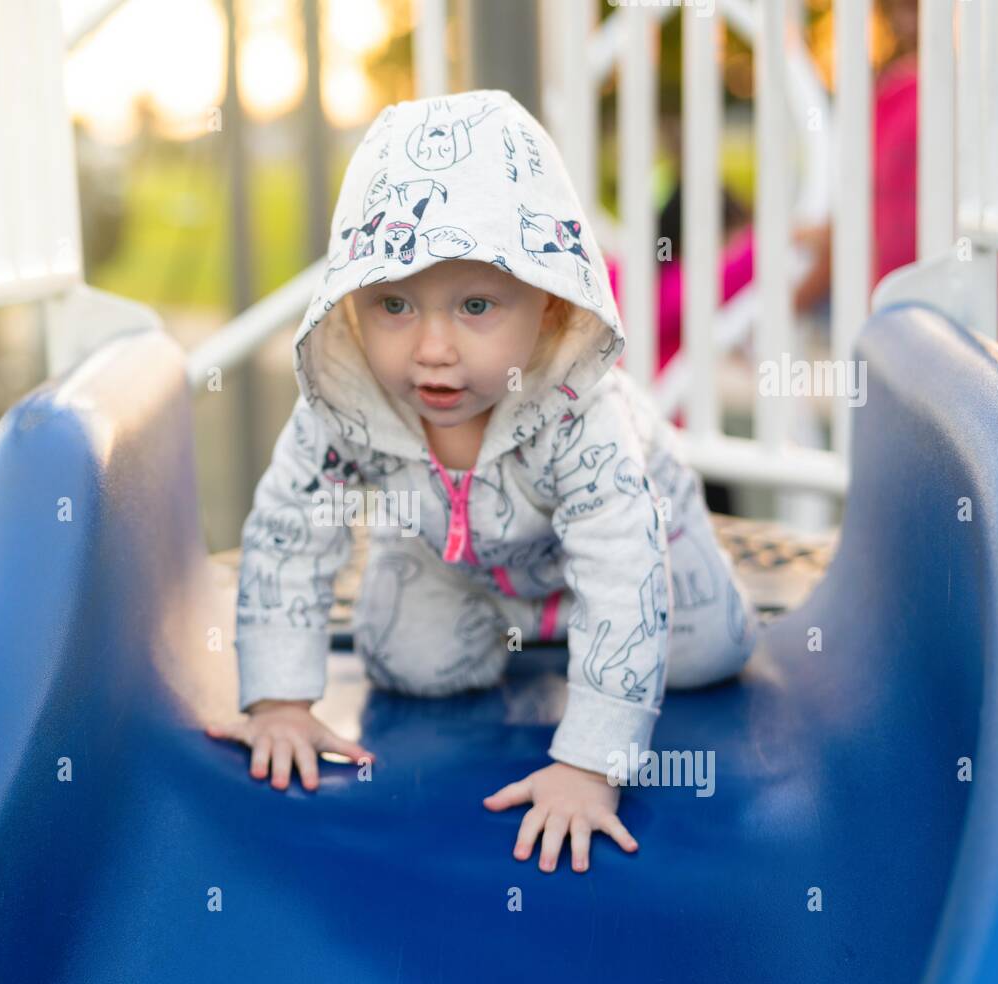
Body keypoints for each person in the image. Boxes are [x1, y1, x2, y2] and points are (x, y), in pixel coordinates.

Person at [206, 90, 760, 873]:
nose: (432, 348)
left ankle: (593, 617)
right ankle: (516, 609)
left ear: (551, 310)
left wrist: (590, 765)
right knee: (411, 666)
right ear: (352, 305)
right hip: (463, 556)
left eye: (475, 304)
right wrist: (281, 703)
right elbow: (292, 527)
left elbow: (622, 563)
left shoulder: (579, 416)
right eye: (394, 304)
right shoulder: (349, 403)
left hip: (642, 538)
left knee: (706, 652)